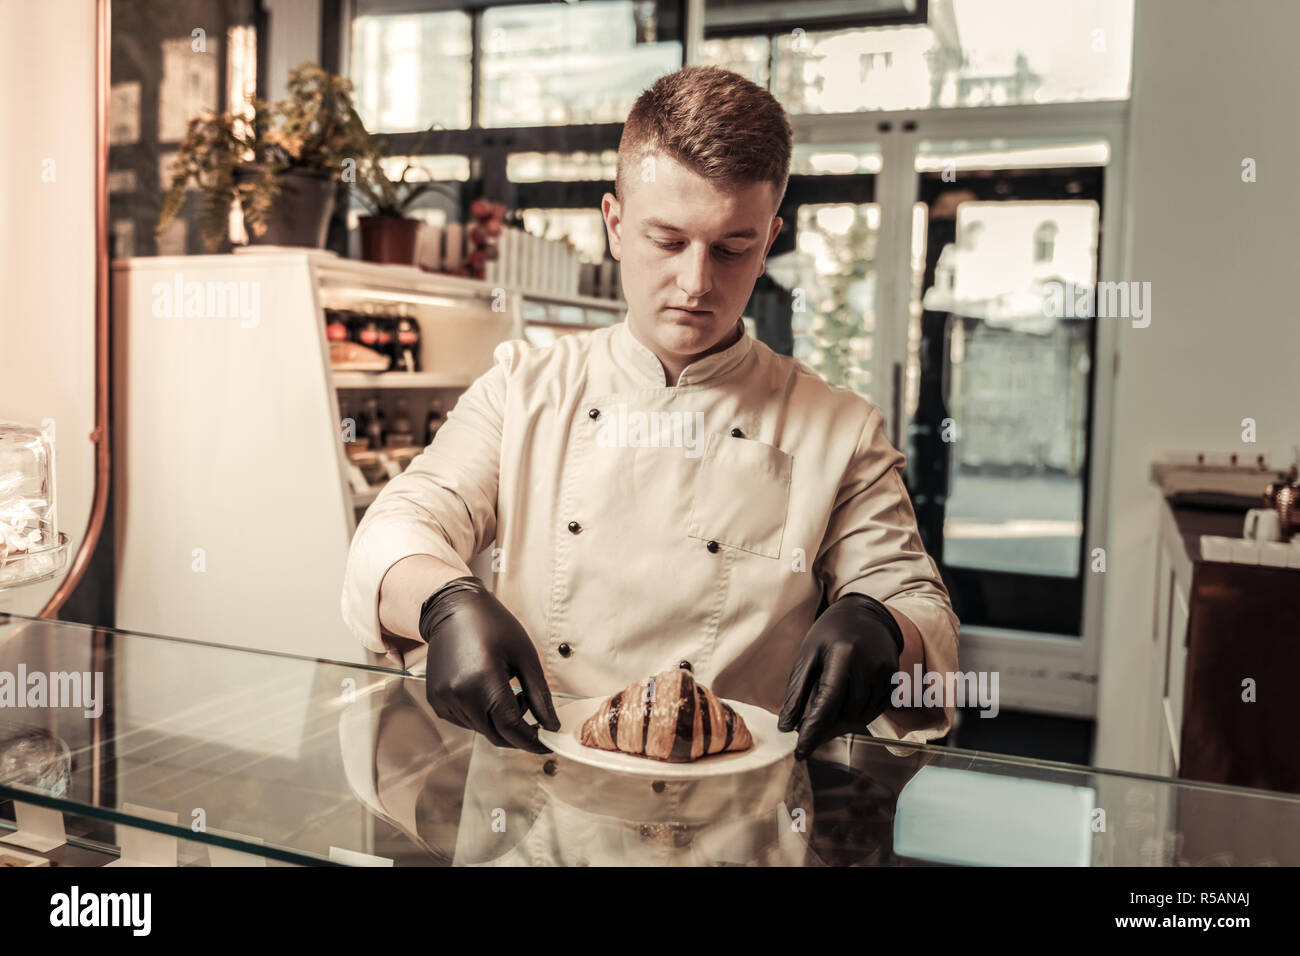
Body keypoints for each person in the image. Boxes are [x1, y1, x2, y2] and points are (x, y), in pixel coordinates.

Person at [341, 65, 959, 769]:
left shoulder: (839, 428)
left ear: (768, 242)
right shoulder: (523, 390)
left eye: (732, 249)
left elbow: (921, 609)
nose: (697, 283)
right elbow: (398, 525)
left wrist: (884, 627)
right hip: (535, 792)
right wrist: (443, 602)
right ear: (614, 224)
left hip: (734, 806)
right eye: (668, 241)